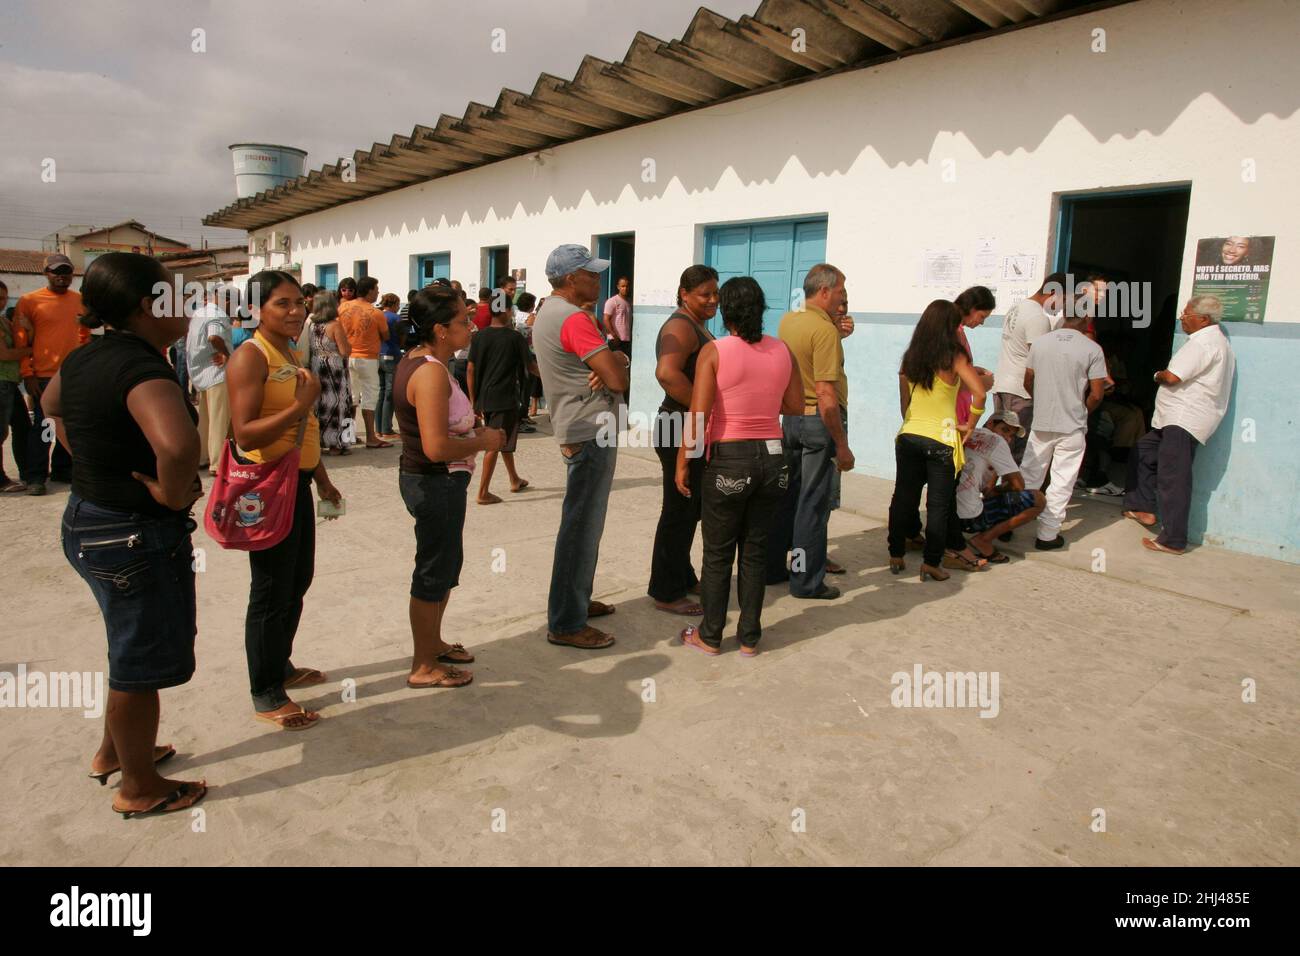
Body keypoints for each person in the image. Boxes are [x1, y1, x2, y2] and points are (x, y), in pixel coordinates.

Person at [40, 252, 207, 817]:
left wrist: (86, 455)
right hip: (133, 534)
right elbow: (181, 446)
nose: (183, 305)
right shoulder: (142, 368)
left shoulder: (86, 356)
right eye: (172, 295)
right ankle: (140, 787)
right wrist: (172, 491)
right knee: (139, 659)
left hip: (87, 519)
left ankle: (115, 752)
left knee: (124, 638)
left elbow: (51, 403)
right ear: (145, 305)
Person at [227, 270, 343, 731]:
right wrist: (301, 403)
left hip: (295, 480)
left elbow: (302, 431)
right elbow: (244, 431)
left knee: (297, 579)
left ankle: (281, 664)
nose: (296, 311)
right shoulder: (250, 357)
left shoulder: (290, 350)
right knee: (271, 588)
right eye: (283, 304)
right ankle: (266, 691)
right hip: (265, 489)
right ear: (257, 309)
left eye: (300, 302)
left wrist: (322, 479)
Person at [675, 277, 802, 656]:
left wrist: (683, 461)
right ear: (762, 310)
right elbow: (794, 406)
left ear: (726, 311)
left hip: (730, 459)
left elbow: (698, 415)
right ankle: (749, 637)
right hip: (775, 458)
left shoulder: (714, 351)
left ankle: (710, 635)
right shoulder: (784, 351)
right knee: (756, 550)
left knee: (717, 552)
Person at [395, 286, 505, 688]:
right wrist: (483, 441)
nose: (471, 326)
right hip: (433, 482)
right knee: (432, 573)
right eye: (462, 321)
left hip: (439, 483)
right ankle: (423, 665)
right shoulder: (429, 373)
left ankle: (433, 643)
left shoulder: (424, 363)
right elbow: (436, 447)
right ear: (440, 330)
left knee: (443, 568)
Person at [532, 243, 628, 649]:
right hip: (589, 430)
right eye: (591, 273)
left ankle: (575, 601)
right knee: (581, 528)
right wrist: (615, 362)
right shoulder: (573, 318)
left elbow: (606, 370)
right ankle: (567, 622)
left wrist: (608, 364)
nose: (598, 278)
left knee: (583, 524)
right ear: (572, 279)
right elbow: (617, 378)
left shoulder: (549, 314)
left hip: (582, 427)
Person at [767, 263, 855, 598]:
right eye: (841, 293)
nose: (844, 301)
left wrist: (835, 330)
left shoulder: (790, 320)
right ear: (824, 291)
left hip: (791, 421)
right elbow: (826, 395)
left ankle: (773, 568)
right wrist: (842, 444)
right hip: (819, 423)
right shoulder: (825, 332)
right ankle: (805, 580)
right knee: (812, 506)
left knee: (787, 499)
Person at [1123, 295, 1235, 555]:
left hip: (1183, 420)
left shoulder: (1203, 343)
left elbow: (1172, 377)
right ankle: (1142, 507)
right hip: (1175, 419)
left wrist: (1156, 374)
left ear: (1203, 319)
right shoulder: (1217, 342)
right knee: (1144, 452)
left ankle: (1173, 539)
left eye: (1186, 315)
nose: (1182, 319)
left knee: (1173, 478)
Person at [887, 300, 988, 580]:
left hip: (909, 435)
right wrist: (970, 423)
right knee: (939, 506)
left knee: (903, 498)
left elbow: (904, 403)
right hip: (942, 439)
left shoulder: (911, 356)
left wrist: (914, 422)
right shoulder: (954, 355)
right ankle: (931, 563)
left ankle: (896, 554)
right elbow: (979, 393)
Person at [648, 265, 717, 616]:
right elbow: (666, 374)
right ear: (684, 293)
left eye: (715, 293)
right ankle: (666, 590)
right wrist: (702, 408)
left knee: (688, 508)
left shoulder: (693, 324)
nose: (712, 300)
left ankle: (683, 574)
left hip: (684, 423)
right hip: (678, 424)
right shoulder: (680, 326)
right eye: (704, 294)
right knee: (678, 509)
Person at [1018, 306, 1108, 550]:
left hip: (1042, 422)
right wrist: (1082, 411)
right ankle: (1047, 536)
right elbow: (1097, 394)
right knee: (1062, 481)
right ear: (1087, 319)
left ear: (1064, 316)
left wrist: (1041, 400)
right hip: (1072, 426)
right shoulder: (1092, 349)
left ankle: (1009, 525)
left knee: (1029, 475)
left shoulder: (1040, 343)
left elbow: (1028, 380)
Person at [15, 253, 84, 495]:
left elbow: (84, 334)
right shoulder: (29, 301)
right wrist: (28, 373)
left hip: (73, 374)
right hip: (43, 375)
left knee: (70, 424)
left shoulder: (80, 300)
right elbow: (21, 341)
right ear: (46, 273)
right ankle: (36, 475)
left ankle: (63, 469)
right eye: (56, 271)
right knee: (44, 426)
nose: (61, 276)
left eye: (65, 271)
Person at [991, 273, 1068, 461]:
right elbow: (1037, 363)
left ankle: (992, 487)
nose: (1061, 307)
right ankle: (1011, 489)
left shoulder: (1016, 308)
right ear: (1052, 292)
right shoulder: (1038, 317)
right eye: (1062, 299)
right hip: (1021, 392)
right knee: (1017, 449)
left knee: (998, 445)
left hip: (1002, 386)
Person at [467, 291, 532, 503]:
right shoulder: (515, 338)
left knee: (503, 437)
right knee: (494, 442)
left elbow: (470, 369)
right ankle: (483, 492)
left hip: (485, 397)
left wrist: (473, 400)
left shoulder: (479, 336)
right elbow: (530, 367)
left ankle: (514, 478)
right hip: (504, 397)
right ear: (505, 310)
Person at [956, 411, 1045, 562]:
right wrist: (998, 489)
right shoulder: (996, 441)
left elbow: (985, 489)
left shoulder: (970, 433)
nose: (1007, 438)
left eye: (1011, 435)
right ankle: (983, 540)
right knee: (1038, 499)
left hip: (945, 516)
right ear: (991, 423)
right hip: (968, 519)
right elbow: (1018, 485)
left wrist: (993, 488)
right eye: (1005, 430)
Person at [185, 284, 233, 476]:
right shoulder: (217, 314)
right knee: (219, 420)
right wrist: (226, 353)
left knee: (204, 420)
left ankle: (202, 458)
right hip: (216, 373)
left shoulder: (199, 314)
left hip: (199, 373)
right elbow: (214, 336)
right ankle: (218, 462)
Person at [337, 276, 390, 448]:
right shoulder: (375, 313)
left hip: (346, 356)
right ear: (369, 290)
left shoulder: (343, 307)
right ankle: (371, 437)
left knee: (350, 398)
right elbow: (386, 335)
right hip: (367, 358)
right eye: (376, 289)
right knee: (369, 398)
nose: (378, 292)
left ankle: (348, 436)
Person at [308, 290, 353, 455]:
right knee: (338, 405)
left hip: (316, 366)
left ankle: (319, 441)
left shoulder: (312, 325)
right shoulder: (335, 325)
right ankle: (337, 443)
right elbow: (345, 350)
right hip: (334, 369)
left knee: (320, 405)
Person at [0, 281, 34, 493]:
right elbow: (4, 354)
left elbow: (18, 344)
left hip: (10, 382)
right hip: (2, 381)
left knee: (22, 427)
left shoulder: (4, 321)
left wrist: (28, 331)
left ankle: (28, 471)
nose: (1, 302)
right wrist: (32, 349)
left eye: (3, 298)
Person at [376, 292, 404, 441]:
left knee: (380, 393)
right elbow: (401, 336)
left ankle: (378, 429)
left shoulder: (377, 315)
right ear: (394, 304)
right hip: (392, 354)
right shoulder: (395, 318)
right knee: (389, 393)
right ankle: (387, 429)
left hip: (377, 355)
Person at [605, 276, 632, 360]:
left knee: (625, 364)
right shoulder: (613, 301)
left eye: (627, 286)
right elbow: (606, 319)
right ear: (618, 287)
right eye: (623, 286)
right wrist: (614, 336)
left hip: (626, 340)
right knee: (615, 365)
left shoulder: (629, 302)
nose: (625, 288)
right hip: (616, 340)